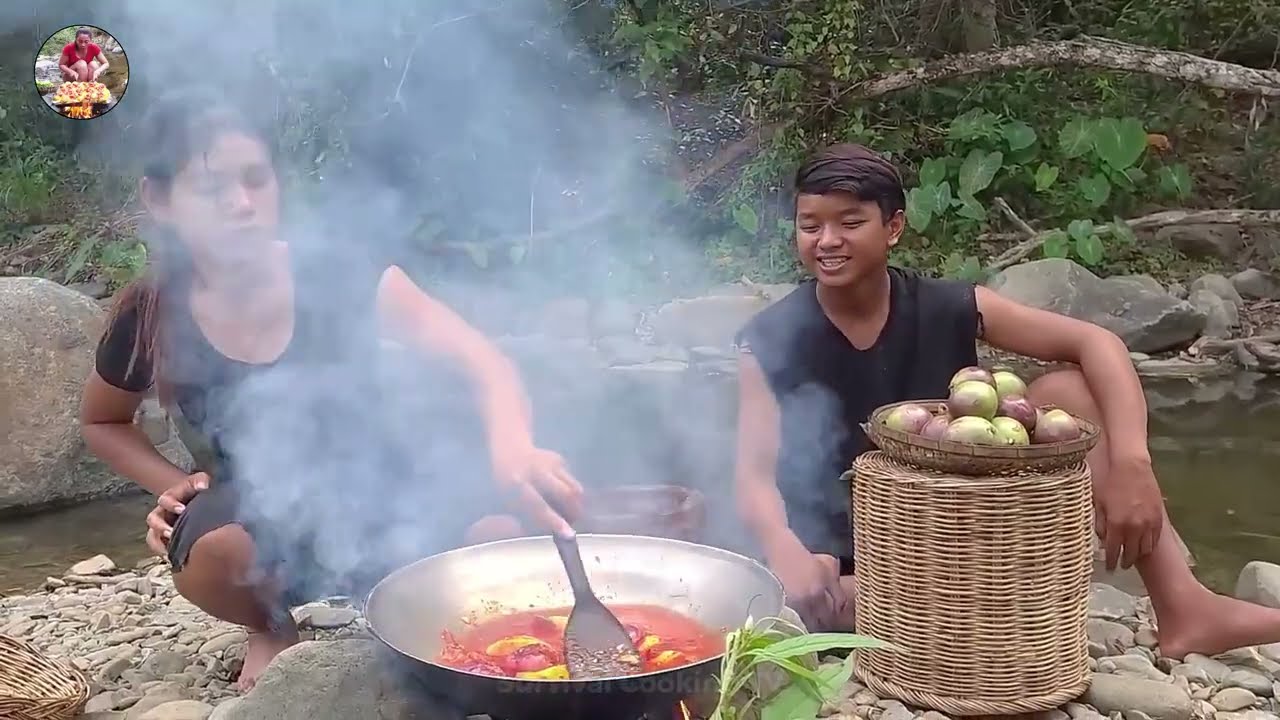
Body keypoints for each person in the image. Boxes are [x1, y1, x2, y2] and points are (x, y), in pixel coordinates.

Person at [78, 93, 573, 690]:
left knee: (505, 534)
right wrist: (172, 487)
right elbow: (103, 422)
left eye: (256, 180)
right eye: (212, 189)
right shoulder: (153, 311)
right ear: (160, 201)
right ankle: (272, 625)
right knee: (207, 549)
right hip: (258, 519)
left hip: (390, 494)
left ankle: (411, 603)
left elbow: (482, 361)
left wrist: (513, 444)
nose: (241, 204)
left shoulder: (341, 273)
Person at [732, 142, 1280, 658]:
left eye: (851, 222)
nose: (827, 240)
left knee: (1067, 390)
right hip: (848, 548)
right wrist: (784, 546)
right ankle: (914, 610)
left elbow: (1098, 343)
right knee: (793, 595)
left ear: (893, 226)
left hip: (959, 527)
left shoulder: (951, 305)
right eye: (811, 226)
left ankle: (1183, 606)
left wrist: (1133, 466)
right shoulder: (771, 337)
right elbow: (753, 475)